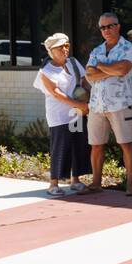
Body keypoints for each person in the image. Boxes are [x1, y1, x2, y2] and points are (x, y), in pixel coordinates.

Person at [85, 13, 132, 196]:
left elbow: (123, 69)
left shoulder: (128, 48)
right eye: (102, 27)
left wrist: (101, 66)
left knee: (126, 144)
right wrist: (111, 69)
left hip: (120, 104)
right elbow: (89, 75)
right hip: (96, 106)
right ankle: (96, 183)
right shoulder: (96, 50)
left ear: (118, 26)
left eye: (110, 26)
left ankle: (131, 185)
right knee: (96, 145)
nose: (106, 30)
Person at [33, 32, 92, 196]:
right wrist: (80, 105)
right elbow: (56, 93)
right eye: (60, 47)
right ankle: (53, 184)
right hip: (59, 116)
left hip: (75, 113)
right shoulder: (46, 71)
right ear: (51, 50)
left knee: (78, 145)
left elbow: (83, 80)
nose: (65, 49)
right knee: (61, 147)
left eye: (67, 45)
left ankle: (76, 180)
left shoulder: (73, 62)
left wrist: (88, 94)